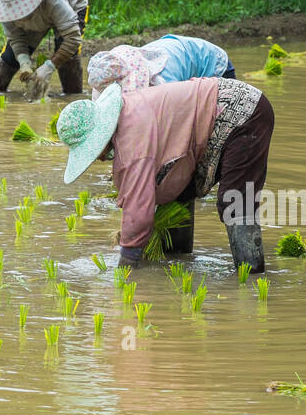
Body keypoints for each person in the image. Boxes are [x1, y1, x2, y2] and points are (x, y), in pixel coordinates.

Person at [57, 77, 274, 274]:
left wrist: (127, 264)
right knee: (176, 190)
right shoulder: (128, 111)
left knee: (234, 202)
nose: (97, 157)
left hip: (244, 112)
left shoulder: (132, 141)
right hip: (213, 116)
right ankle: (178, 259)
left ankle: (252, 276)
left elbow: (138, 209)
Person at [88, 35, 235, 99]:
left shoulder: (164, 82)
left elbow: (181, 117)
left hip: (215, 65)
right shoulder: (122, 64)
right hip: (183, 53)